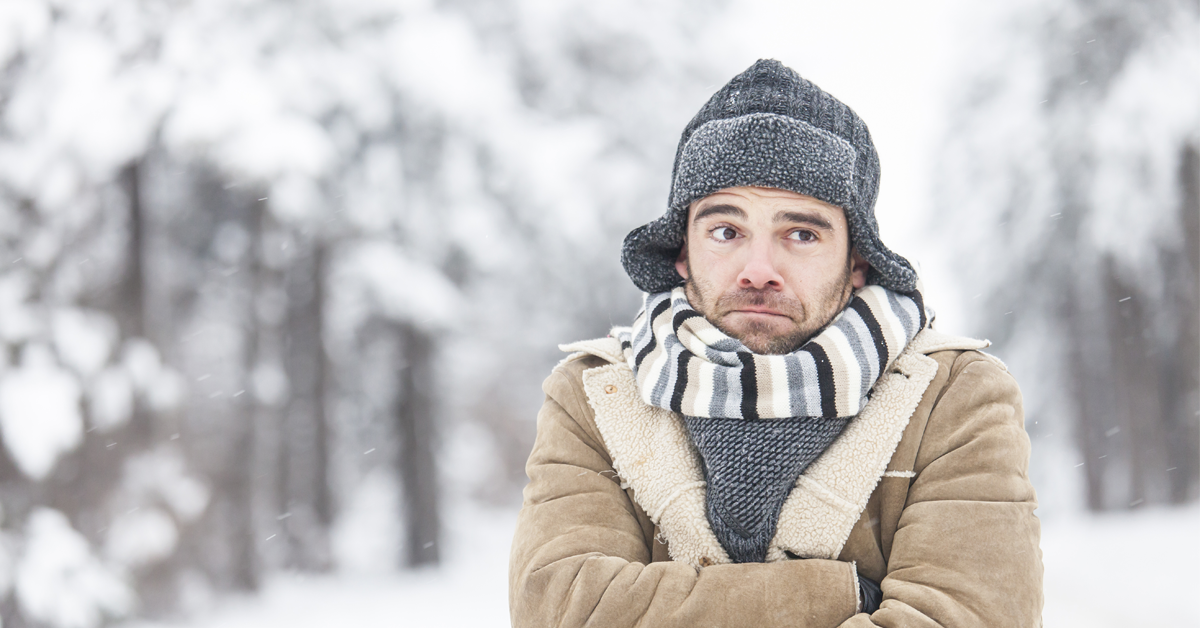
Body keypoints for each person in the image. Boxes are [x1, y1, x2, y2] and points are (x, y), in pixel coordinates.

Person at [508, 59, 1043, 627]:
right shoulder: (596, 394)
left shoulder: (953, 396)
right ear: (683, 251)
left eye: (802, 233)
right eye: (726, 231)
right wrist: (839, 597)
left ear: (857, 258)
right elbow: (560, 609)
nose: (758, 270)